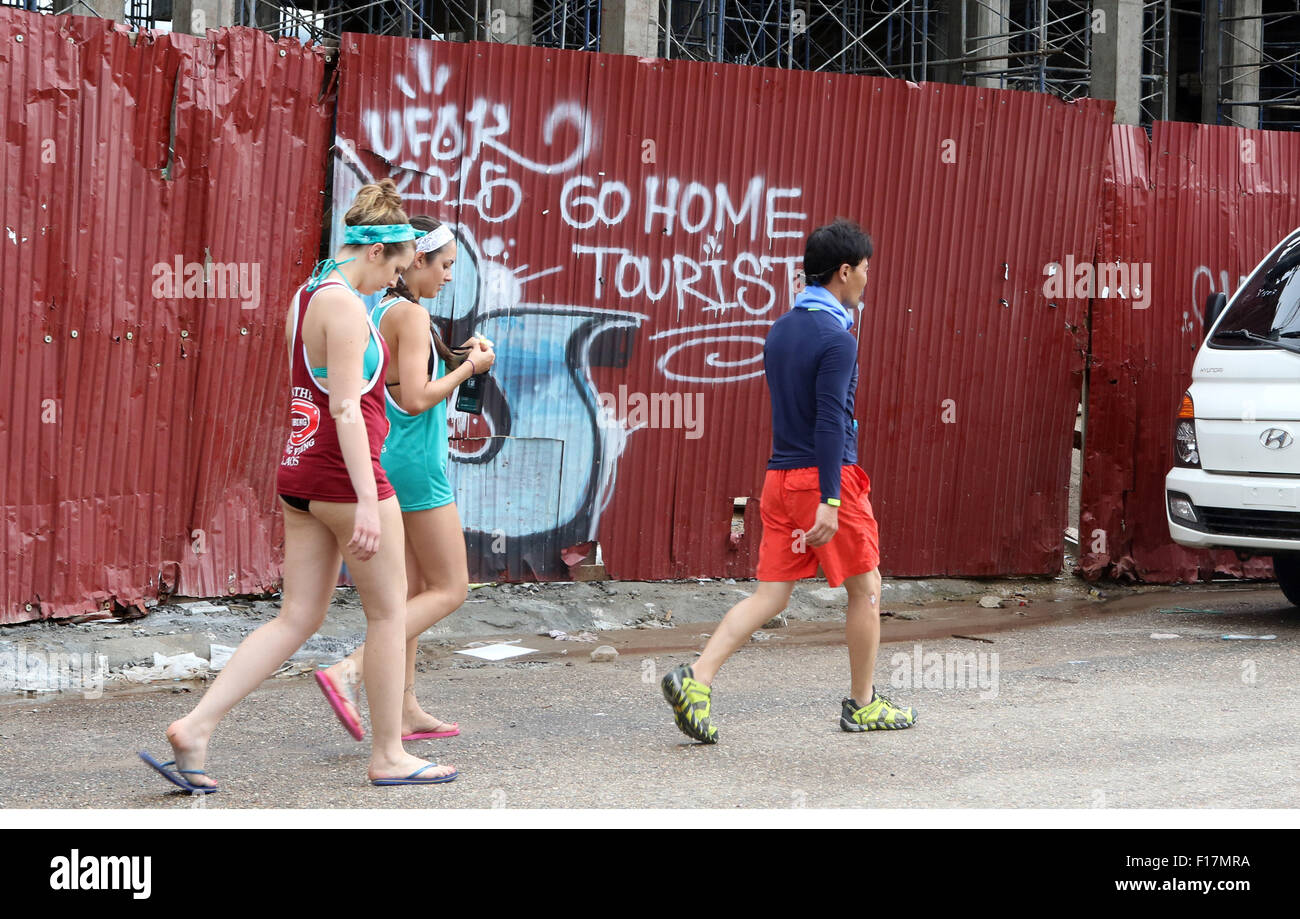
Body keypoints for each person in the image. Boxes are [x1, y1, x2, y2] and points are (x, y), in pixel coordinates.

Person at [139, 180, 457, 789]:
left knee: (297, 617)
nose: (392, 284)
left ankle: (196, 726)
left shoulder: (307, 291)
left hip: (299, 472)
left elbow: (306, 387)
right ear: (373, 252)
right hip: (343, 475)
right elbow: (343, 408)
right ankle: (390, 755)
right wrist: (368, 499)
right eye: (393, 270)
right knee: (389, 615)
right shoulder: (341, 303)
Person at [660, 219, 916, 743]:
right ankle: (863, 705)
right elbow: (828, 421)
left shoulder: (781, 329)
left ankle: (697, 679)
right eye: (866, 269)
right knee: (866, 588)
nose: (869, 278)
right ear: (844, 271)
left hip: (778, 480)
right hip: (824, 480)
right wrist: (830, 498)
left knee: (772, 595)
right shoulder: (837, 338)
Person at [315, 216, 495, 741]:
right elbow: (415, 399)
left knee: (411, 592)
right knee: (451, 588)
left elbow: (400, 385)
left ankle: (405, 709)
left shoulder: (382, 307)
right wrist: (469, 372)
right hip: (418, 466)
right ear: (416, 260)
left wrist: (458, 358)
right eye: (444, 266)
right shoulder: (412, 316)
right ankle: (347, 670)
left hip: (388, 456)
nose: (447, 278)